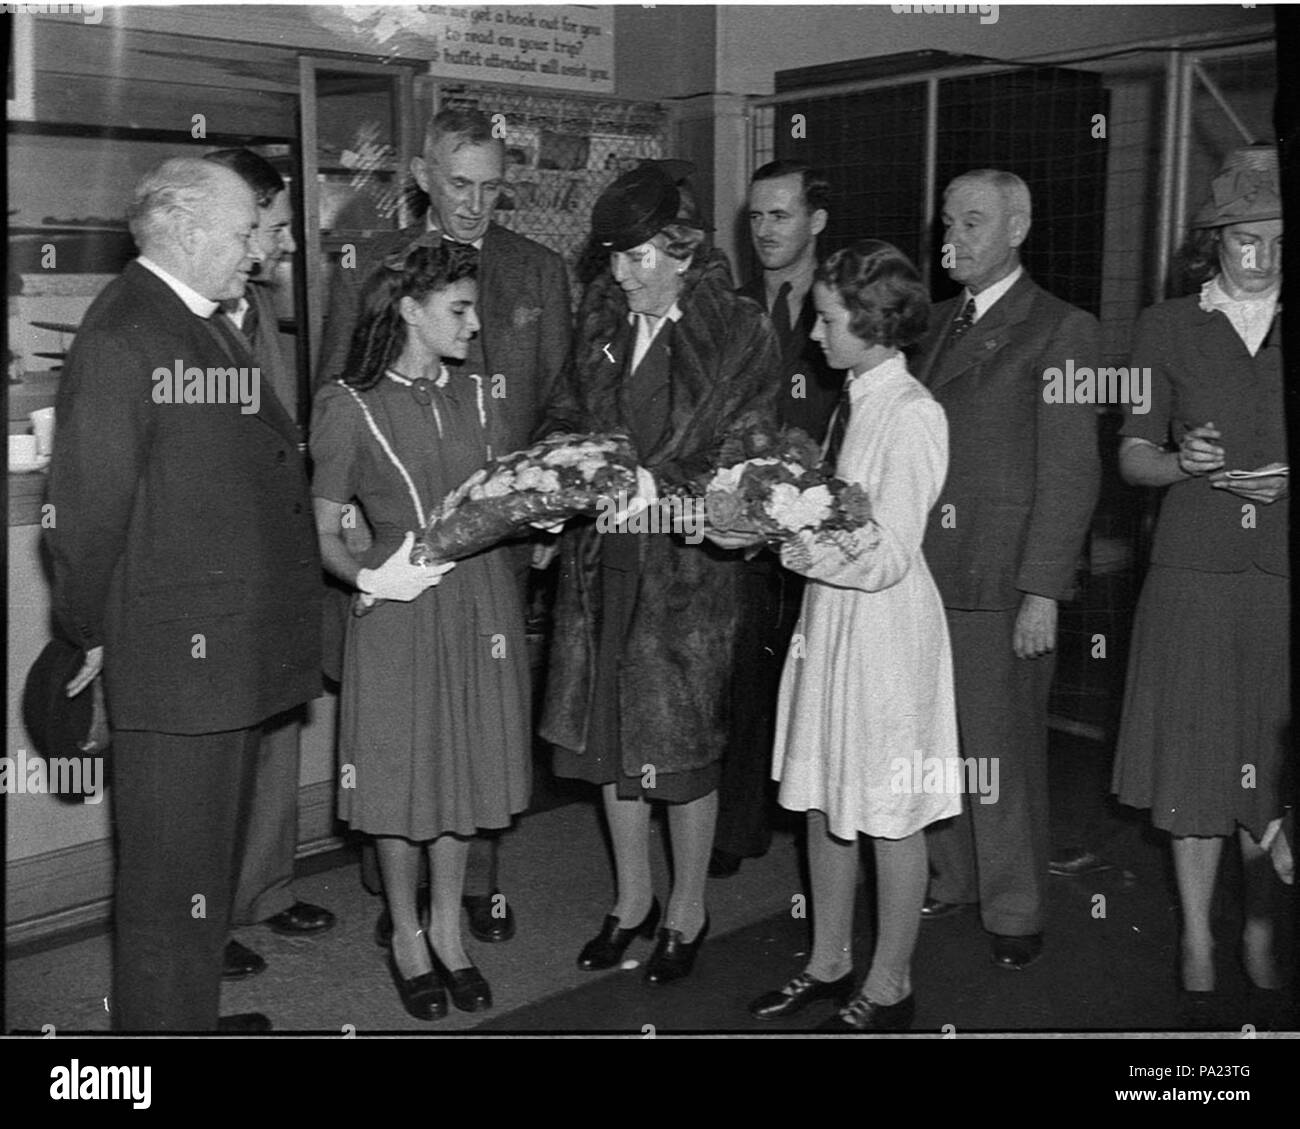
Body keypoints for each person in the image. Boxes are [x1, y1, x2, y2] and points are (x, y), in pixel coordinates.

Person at [46, 158, 322, 1032]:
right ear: (188, 227)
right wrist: (89, 632)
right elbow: (84, 517)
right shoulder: (129, 332)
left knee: (200, 881)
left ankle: (183, 1023)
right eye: (246, 232)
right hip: (176, 668)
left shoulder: (194, 321)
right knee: (170, 900)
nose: (258, 252)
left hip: (218, 664)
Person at [319, 107, 570, 946]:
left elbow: (560, 400)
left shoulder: (536, 269)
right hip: (398, 524)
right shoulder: (374, 264)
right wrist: (353, 526)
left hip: (500, 536)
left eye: (493, 186)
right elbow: (337, 387)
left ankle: (471, 896)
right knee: (403, 730)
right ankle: (402, 909)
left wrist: (548, 505)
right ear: (423, 176)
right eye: (459, 184)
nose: (475, 203)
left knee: (482, 718)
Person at [539, 160, 780, 984]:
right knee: (610, 738)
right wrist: (559, 477)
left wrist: (659, 488)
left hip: (686, 569)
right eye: (612, 256)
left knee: (679, 750)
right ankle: (632, 900)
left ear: (682, 251)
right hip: (603, 562)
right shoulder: (603, 316)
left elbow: (749, 453)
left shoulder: (738, 329)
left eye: (637, 257)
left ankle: (688, 907)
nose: (619, 273)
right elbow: (567, 414)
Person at [738, 241, 956, 1031]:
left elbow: (892, 551)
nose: (816, 335)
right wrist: (775, 523)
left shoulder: (914, 412)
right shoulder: (856, 397)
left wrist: (794, 545)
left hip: (888, 635)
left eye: (828, 319)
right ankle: (829, 961)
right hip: (833, 622)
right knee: (827, 796)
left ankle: (890, 980)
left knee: (890, 811)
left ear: (870, 321)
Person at [311, 236, 531, 1020]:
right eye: (459, 309)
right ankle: (405, 932)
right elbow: (325, 530)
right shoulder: (349, 403)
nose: (475, 325)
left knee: (461, 769)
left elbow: (504, 493)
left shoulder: (479, 394)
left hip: (478, 604)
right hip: (398, 608)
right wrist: (371, 574)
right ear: (410, 309)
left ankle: (448, 927)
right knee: (401, 780)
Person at [1110, 146, 1288, 1018]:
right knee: (1196, 761)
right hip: (1194, 571)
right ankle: (1195, 930)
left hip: (1280, 572)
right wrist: (1185, 461)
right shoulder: (1167, 324)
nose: (1263, 256)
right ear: (1214, 240)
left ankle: (1258, 920)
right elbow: (1133, 454)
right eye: (1247, 238)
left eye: (1279, 239)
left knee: (1270, 765)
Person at [916, 169, 1100, 970]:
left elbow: (1072, 471)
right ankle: (952, 876)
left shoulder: (1064, 328)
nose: (953, 237)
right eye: (949, 221)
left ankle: (1016, 907)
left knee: (1002, 747)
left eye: (975, 222)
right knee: (938, 739)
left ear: (1018, 229)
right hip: (925, 572)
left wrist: (1042, 592)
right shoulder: (929, 324)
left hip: (1001, 576)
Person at [203, 147, 336, 983]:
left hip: (278, 564)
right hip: (219, 573)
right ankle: (204, 919)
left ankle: (267, 887)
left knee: (279, 734)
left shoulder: (257, 308)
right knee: (218, 757)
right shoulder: (186, 319)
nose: (285, 243)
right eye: (277, 227)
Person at [710, 161, 845, 880]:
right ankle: (738, 826)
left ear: (815, 221)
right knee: (742, 674)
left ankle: (813, 820)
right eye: (756, 217)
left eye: (780, 216)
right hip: (745, 530)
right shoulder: (732, 308)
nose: (764, 230)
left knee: (817, 674)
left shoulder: (842, 304)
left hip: (824, 528)